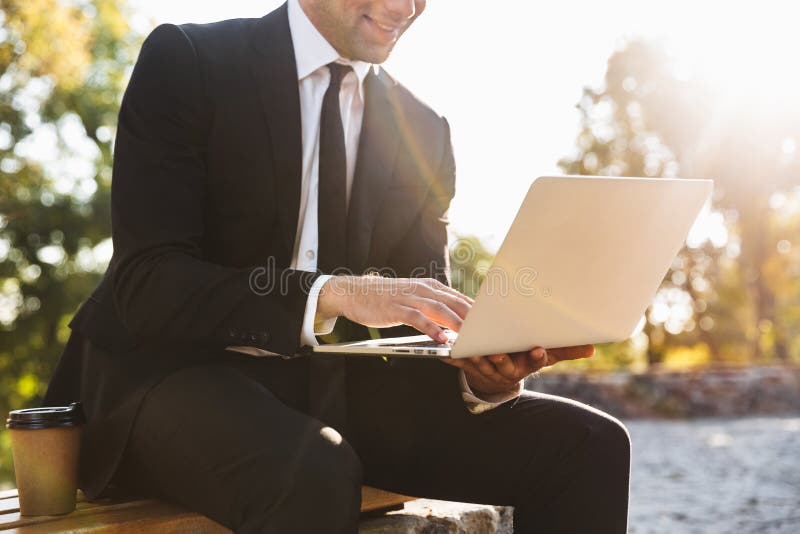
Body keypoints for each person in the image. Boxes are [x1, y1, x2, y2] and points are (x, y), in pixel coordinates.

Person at [43, 0, 631, 532]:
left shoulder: (423, 130)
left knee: (590, 445)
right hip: (168, 376)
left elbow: (421, 323)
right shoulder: (189, 60)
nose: (405, 7)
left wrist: (481, 376)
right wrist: (329, 293)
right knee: (311, 470)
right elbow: (147, 283)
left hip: (330, 388)